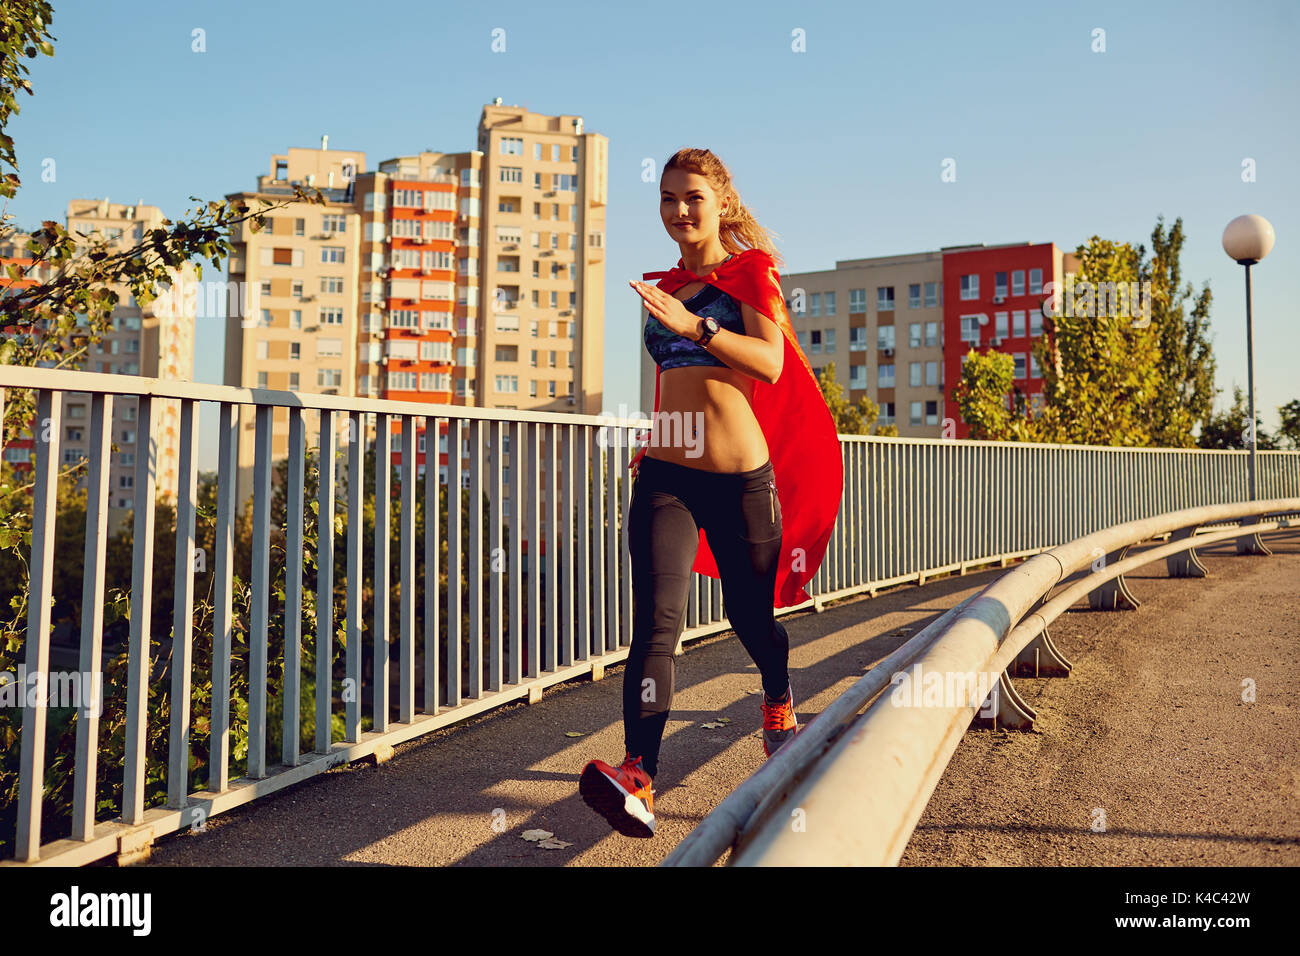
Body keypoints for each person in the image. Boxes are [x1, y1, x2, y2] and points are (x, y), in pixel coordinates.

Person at [579, 148, 844, 838]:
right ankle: (639, 774)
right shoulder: (665, 283)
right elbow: (677, 382)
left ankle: (779, 699)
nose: (678, 211)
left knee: (750, 619)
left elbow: (771, 360)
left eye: (691, 197)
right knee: (656, 625)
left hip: (738, 480)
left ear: (720, 201)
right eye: (667, 199)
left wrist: (696, 325)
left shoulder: (751, 274)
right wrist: (657, 441)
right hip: (667, 477)